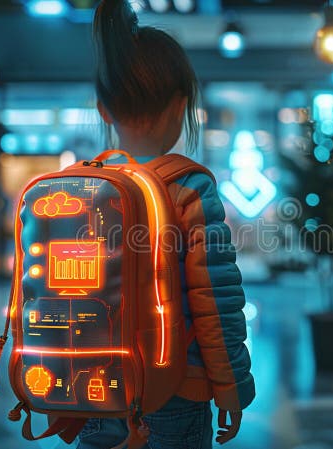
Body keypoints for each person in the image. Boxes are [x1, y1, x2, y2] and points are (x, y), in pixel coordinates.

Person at [78, 1, 255, 448]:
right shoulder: (188, 189)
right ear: (181, 107)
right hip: (174, 388)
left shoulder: (84, 190)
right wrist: (230, 389)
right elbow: (215, 301)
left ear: (103, 110)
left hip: (94, 384)